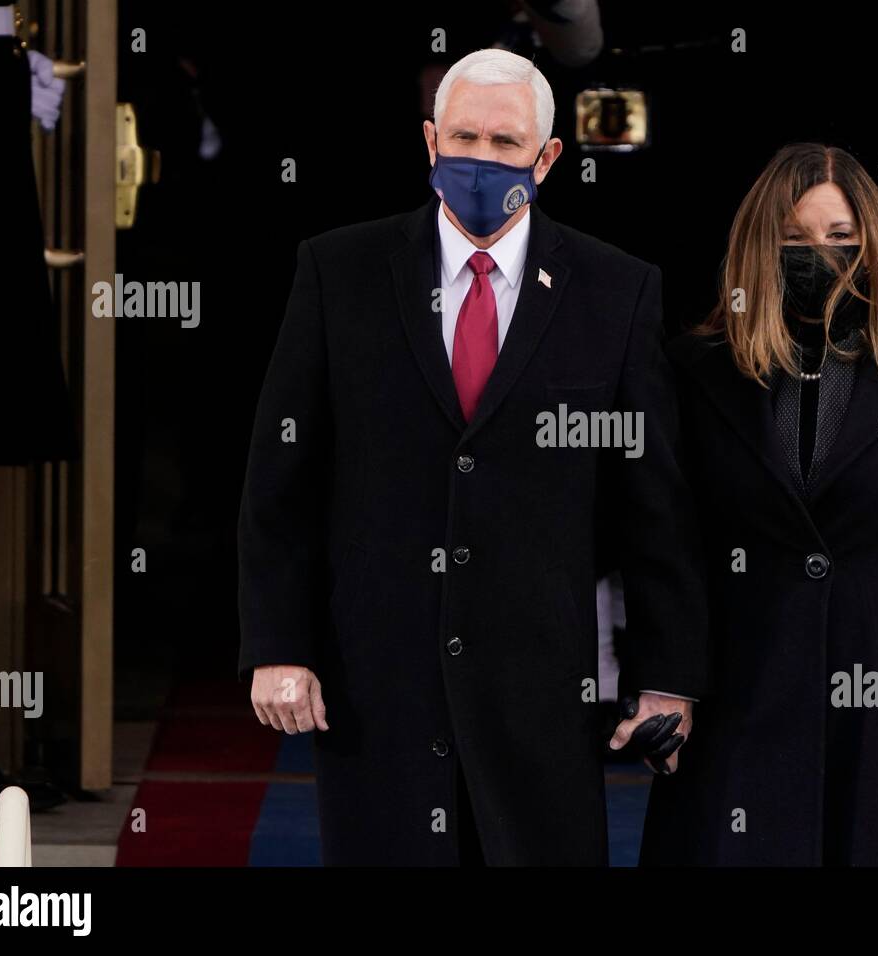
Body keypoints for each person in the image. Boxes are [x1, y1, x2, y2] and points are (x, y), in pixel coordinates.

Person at [237, 49, 706, 865]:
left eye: (504, 143)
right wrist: (279, 644)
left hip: (541, 690)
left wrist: (666, 673)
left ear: (548, 157)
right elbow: (282, 479)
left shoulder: (615, 289)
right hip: (378, 682)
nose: (480, 160)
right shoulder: (338, 271)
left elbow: (651, 501)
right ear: (429, 142)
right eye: (463, 138)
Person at [640, 143, 878, 865]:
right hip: (742, 704)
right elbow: (670, 545)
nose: (821, 257)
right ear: (759, 248)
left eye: (840, 238)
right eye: (795, 240)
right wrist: (666, 681)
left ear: (872, 242)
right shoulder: (698, 372)